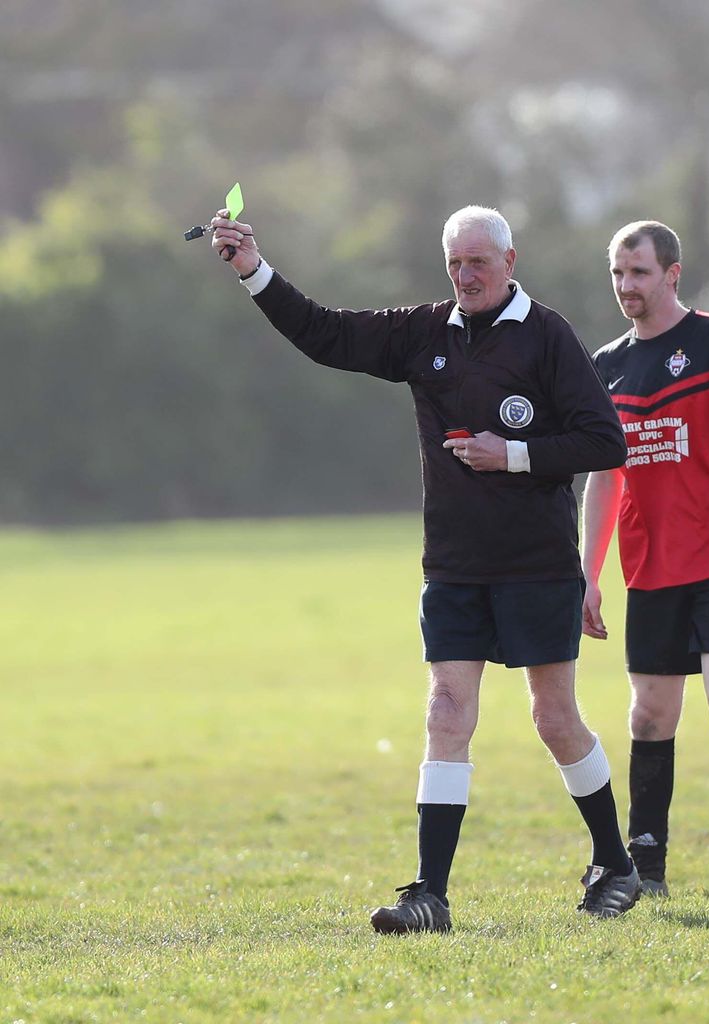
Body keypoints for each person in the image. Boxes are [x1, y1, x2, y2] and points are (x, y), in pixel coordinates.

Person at [206, 204, 642, 929]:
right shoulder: (423, 331)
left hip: (536, 563)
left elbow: (605, 443)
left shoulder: (548, 335)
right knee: (446, 712)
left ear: (510, 262)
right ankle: (429, 895)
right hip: (453, 564)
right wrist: (253, 270)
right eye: (455, 264)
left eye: (478, 262)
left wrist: (514, 454)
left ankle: (615, 862)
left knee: (554, 718)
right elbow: (326, 333)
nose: (465, 276)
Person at [582, 221, 709, 896]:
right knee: (648, 716)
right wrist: (588, 575)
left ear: (671, 273)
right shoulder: (607, 365)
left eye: (638, 272)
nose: (626, 285)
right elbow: (603, 477)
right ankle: (647, 867)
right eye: (617, 273)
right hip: (653, 563)